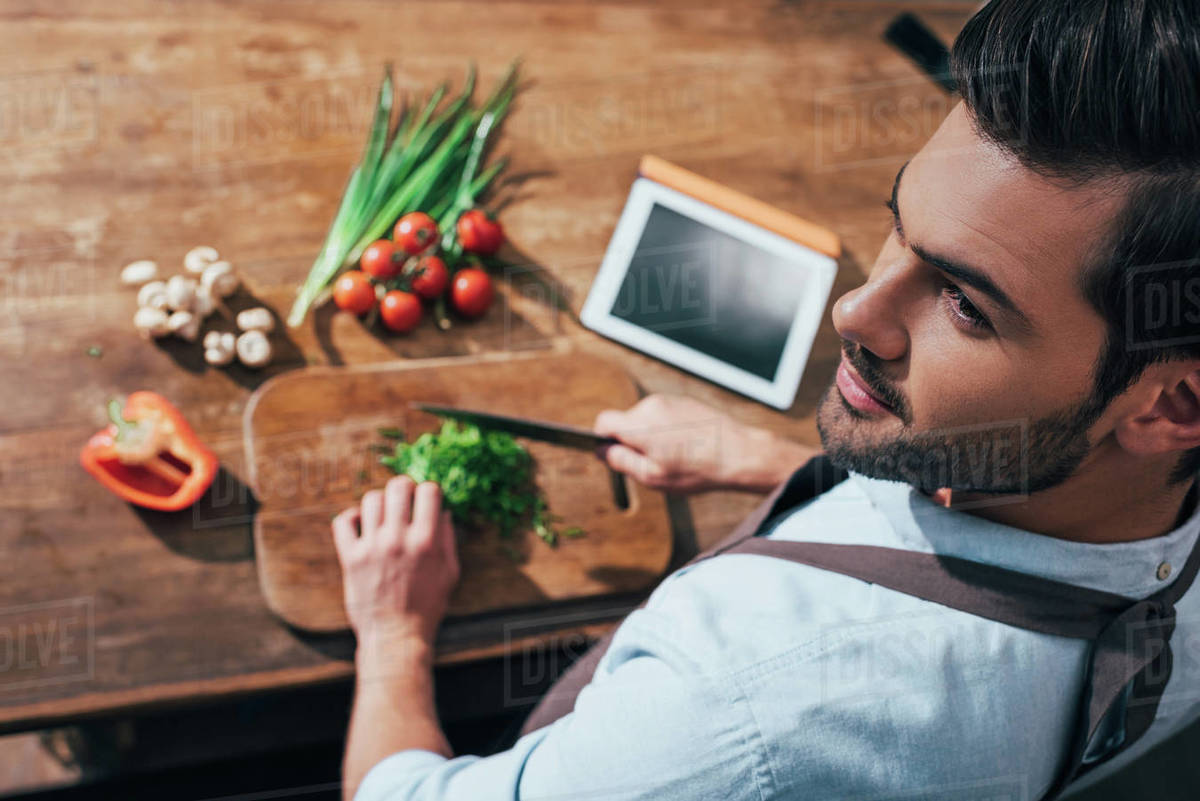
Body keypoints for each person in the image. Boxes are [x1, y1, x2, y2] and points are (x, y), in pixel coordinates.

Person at [332, 0, 1200, 798]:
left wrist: (392, 637)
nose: (854, 311)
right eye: (898, 221)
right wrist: (772, 465)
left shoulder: (739, 713)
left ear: (1172, 408)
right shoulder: (1108, 477)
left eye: (966, 304)